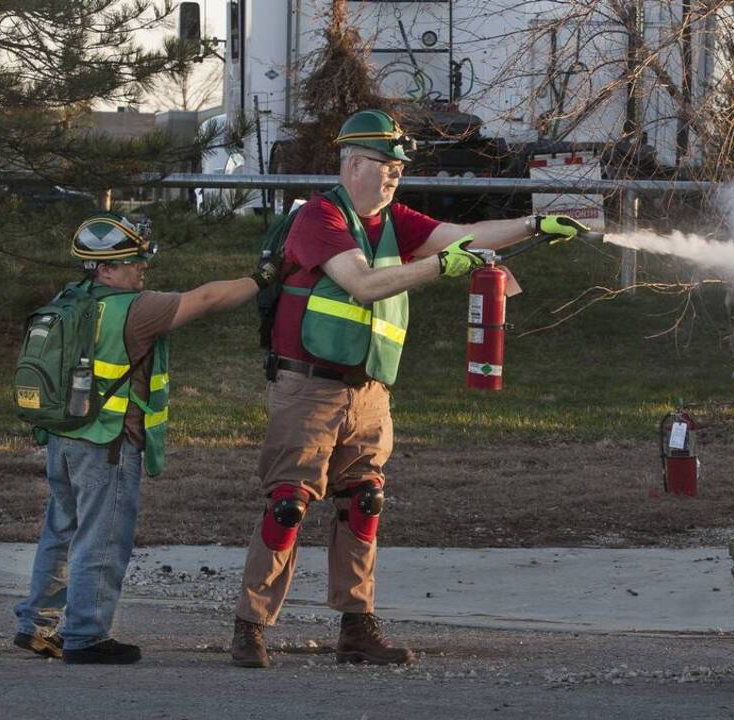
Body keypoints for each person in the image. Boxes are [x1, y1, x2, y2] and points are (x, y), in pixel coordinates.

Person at [230, 109, 588, 668]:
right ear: (352, 164)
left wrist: (534, 227)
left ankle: (356, 625)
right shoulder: (320, 217)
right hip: (308, 386)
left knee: (365, 500)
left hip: (369, 389)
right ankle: (250, 625)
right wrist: (440, 268)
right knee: (289, 505)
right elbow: (364, 284)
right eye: (384, 163)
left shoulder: (394, 221)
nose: (395, 173)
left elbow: (463, 236)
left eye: (398, 165)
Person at [13, 213, 277, 664]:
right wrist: (264, 276)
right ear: (105, 269)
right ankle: (86, 635)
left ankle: (37, 624)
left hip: (63, 437)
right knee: (102, 539)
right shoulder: (135, 308)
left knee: (60, 531)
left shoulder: (71, 299)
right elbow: (211, 298)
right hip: (108, 445)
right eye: (132, 261)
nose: (142, 268)